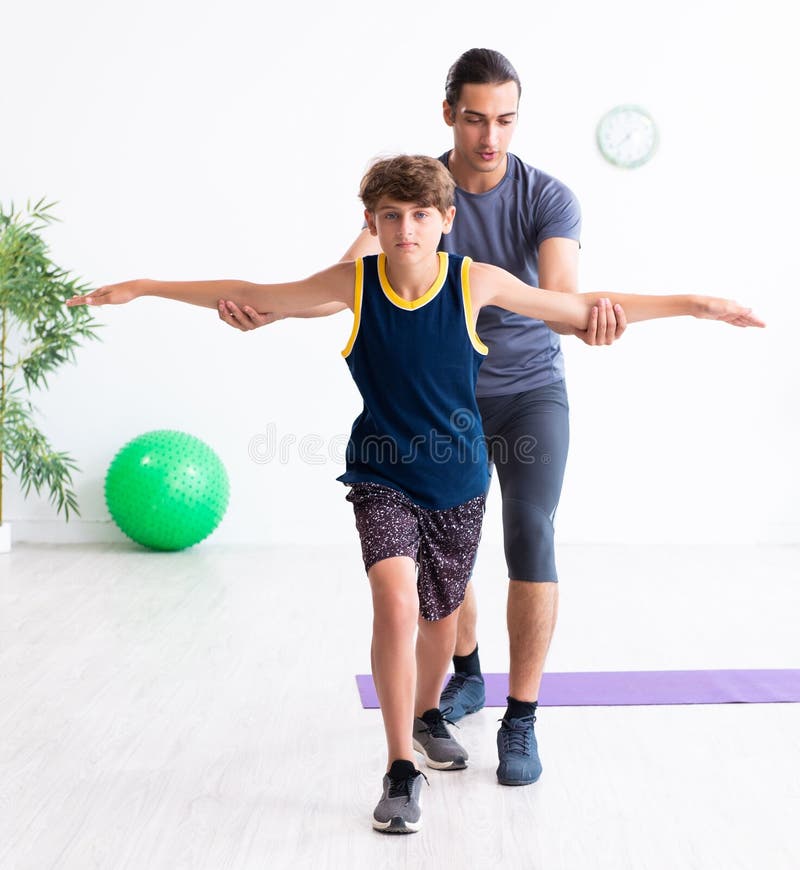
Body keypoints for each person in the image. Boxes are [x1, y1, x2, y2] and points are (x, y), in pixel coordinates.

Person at [67, 155, 763, 833]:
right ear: (372, 221)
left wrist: (696, 306)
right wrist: (147, 286)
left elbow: (576, 305)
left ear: (445, 221)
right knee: (397, 605)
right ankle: (400, 767)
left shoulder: (475, 282)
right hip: (381, 476)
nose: (406, 229)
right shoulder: (354, 282)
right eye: (392, 216)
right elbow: (258, 290)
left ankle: (429, 715)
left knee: (439, 623)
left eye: (421, 215)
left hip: (458, 484)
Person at [215, 47, 629, 787]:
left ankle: (522, 717)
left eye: (505, 120)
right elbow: (352, 274)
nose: (490, 137)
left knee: (530, 531)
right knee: (443, 548)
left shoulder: (547, 196)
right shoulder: (420, 190)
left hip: (528, 387)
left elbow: (565, 297)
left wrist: (597, 317)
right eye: (475, 119)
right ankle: (457, 678)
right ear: (450, 115)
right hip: (443, 401)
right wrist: (267, 313)